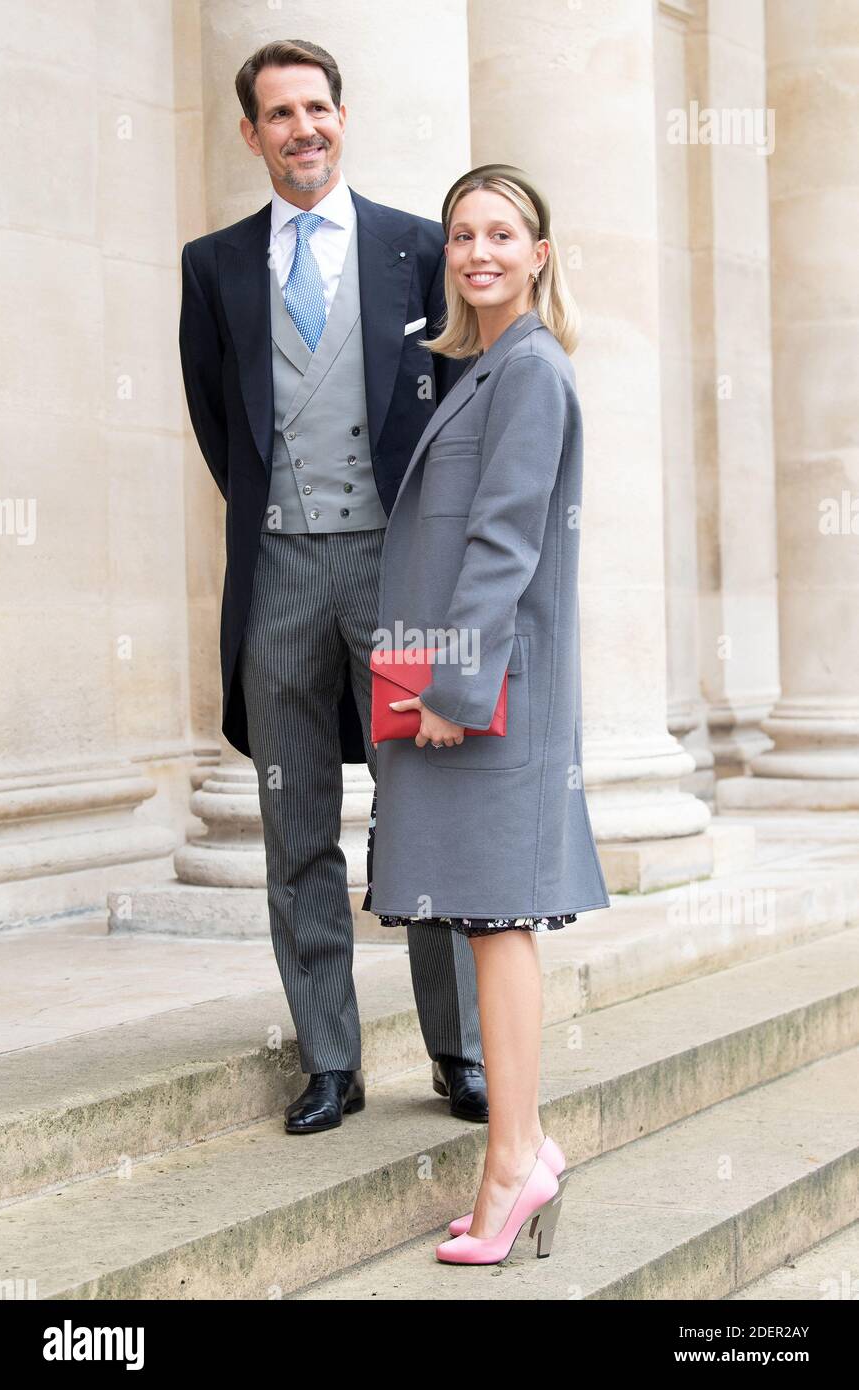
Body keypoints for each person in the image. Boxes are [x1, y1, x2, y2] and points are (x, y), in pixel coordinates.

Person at [178, 39, 490, 1135]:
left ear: (342, 118)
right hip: (278, 576)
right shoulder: (211, 265)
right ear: (252, 132)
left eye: (317, 109)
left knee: (428, 815)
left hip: (396, 570)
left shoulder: (416, 247)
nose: (301, 129)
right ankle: (329, 1060)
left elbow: (457, 417)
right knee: (291, 821)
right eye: (279, 114)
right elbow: (225, 429)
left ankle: (458, 1052)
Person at [363, 165, 611, 1264]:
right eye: (463, 234)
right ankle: (516, 1154)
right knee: (480, 917)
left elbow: (504, 542)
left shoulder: (529, 371)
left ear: (537, 253)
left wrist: (453, 689)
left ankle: (514, 1161)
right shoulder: (478, 368)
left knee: (497, 920)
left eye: (501, 234)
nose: (477, 252)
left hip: (479, 693)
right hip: (450, 678)